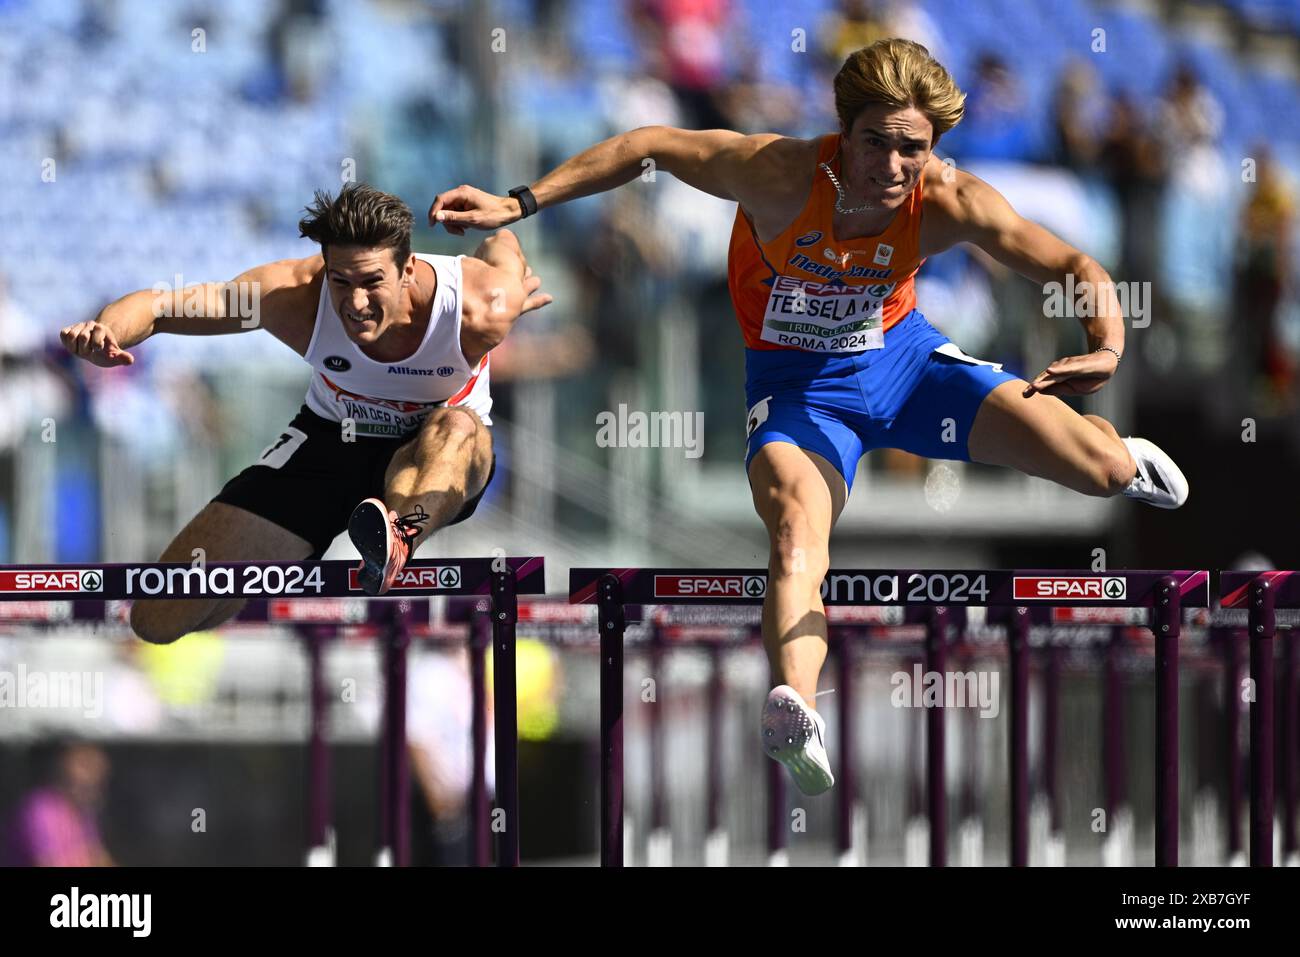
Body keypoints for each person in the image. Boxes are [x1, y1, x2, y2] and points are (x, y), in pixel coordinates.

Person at [427, 38, 1189, 796]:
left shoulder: (950, 199)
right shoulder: (779, 174)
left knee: (1102, 472)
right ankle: (796, 709)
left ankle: (1122, 453)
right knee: (796, 530)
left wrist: (1108, 344)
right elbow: (648, 144)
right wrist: (519, 202)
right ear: (843, 133)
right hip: (800, 394)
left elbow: (1074, 266)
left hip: (910, 369)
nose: (891, 168)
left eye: (911, 150)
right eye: (875, 144)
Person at [60, 184, 552, 641]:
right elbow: (160, 306)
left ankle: (397, 537)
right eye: (340, 281)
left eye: (372, 282)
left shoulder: (480, 305)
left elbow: (503, 242)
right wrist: (108, 332)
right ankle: (264, 569)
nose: (356, 303)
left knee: (456, 424)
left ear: (408, 270)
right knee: (158, 618)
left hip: (435, 453)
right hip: (330, 445)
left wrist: (503, 255)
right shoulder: (291, 297)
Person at [1, 738, 114, 867]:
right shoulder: (39, 809)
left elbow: (100, 857)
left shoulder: (83, 810)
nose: (94, 775)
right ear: (61, 767)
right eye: (86, 765)